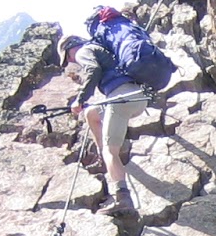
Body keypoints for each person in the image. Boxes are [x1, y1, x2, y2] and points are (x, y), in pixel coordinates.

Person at [57, 26, 150, 217]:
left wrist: (80, 99)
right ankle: (107, 155)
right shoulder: (103, 48)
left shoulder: (83, 51)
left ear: (71, 48)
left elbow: (93, 70)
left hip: (120, 99)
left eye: (68, 58)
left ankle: (122, 197)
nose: (72, 61)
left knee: (110, 150)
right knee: (91, 112)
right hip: (138, 97)